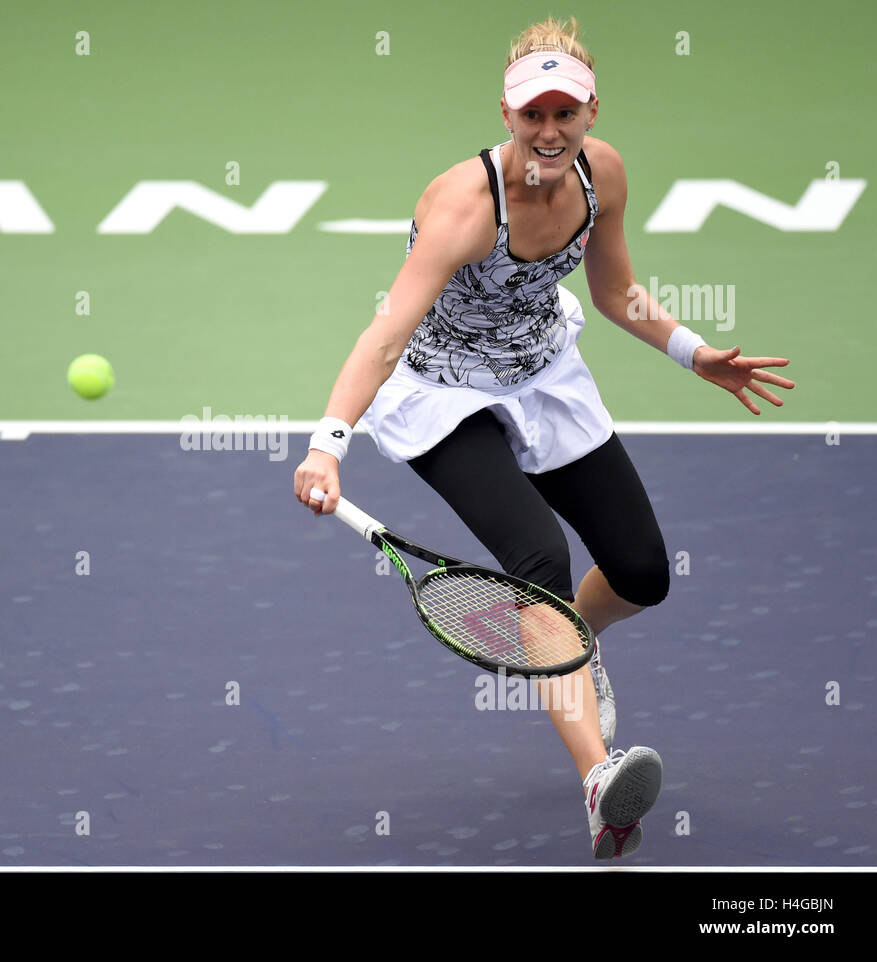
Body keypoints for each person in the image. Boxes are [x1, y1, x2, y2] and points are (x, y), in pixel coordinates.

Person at [293, 17, 794, 859]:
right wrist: (327, 442)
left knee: (641, 572)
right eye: (533, 115)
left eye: (566, 113)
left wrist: (692, 352)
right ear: (506, 112)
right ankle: (600, 779)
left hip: (539, 375)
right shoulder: (463, 204)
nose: (549, 131)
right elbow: (384, 336)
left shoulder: (604, 175)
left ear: (592, 111)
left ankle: (558, 641)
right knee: (538, 560)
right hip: (439, 394)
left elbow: (616, 291)